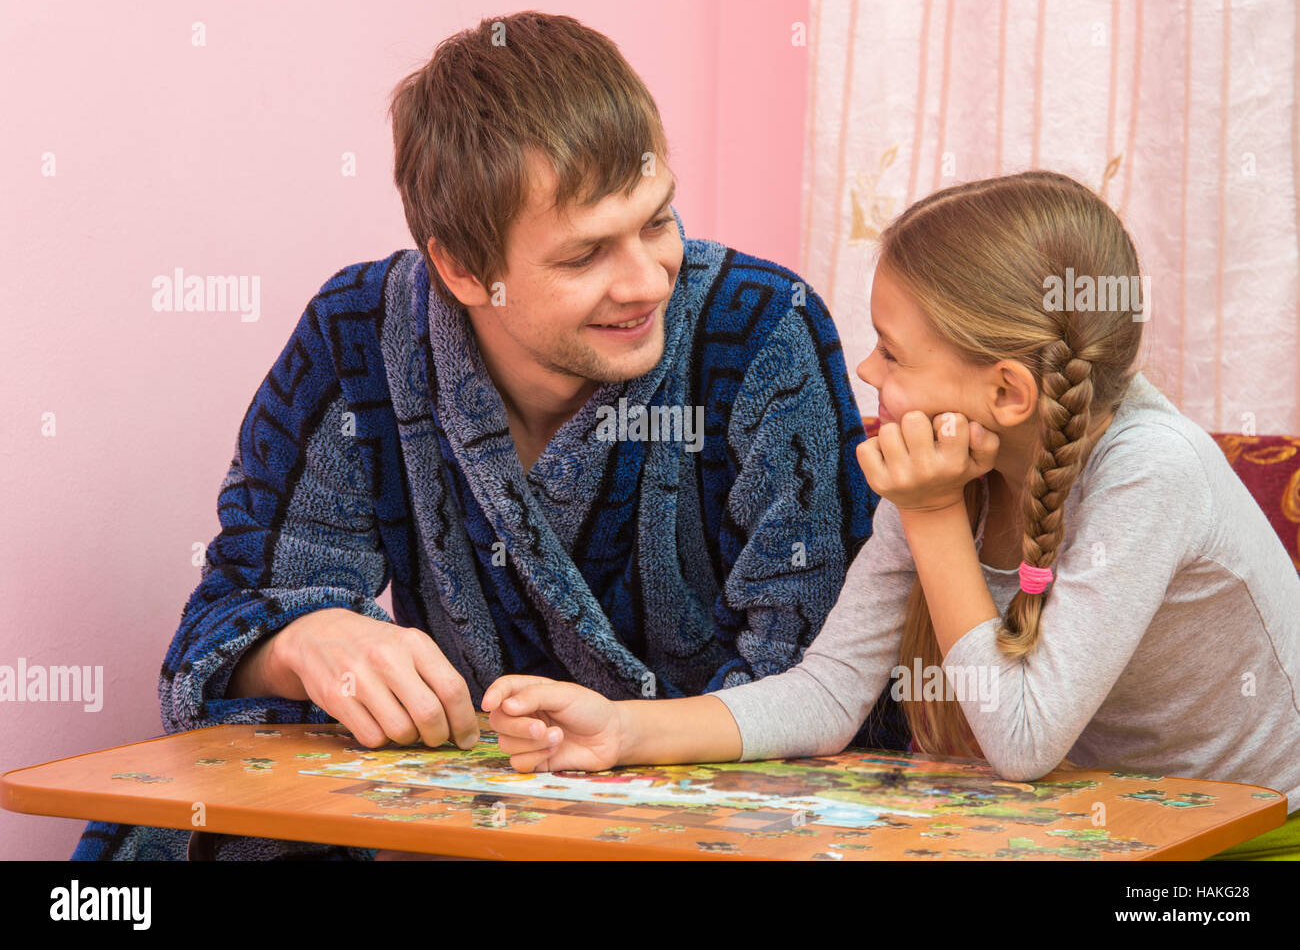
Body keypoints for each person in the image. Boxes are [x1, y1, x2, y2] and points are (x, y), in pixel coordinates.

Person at [70, 11, 894, 861]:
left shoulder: (762, 327)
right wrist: (307, 640)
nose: (648, 278)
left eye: (657, 221)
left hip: (712, 803)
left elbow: (824, 682)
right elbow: (214, 643)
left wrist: (622, 745)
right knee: (159, 841)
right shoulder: (360, 336)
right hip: (465, 814)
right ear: (462, 270)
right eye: (584, 257)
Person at [483, 171, 1300, 859]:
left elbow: (1023, 739)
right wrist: (620, 732)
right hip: (1102, 828)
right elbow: (831, 691)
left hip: (1252, 841)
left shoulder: (1151, 469)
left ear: (1007, 392)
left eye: (893, 352)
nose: (866, 367)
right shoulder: (947, 456)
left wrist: (935, 513)